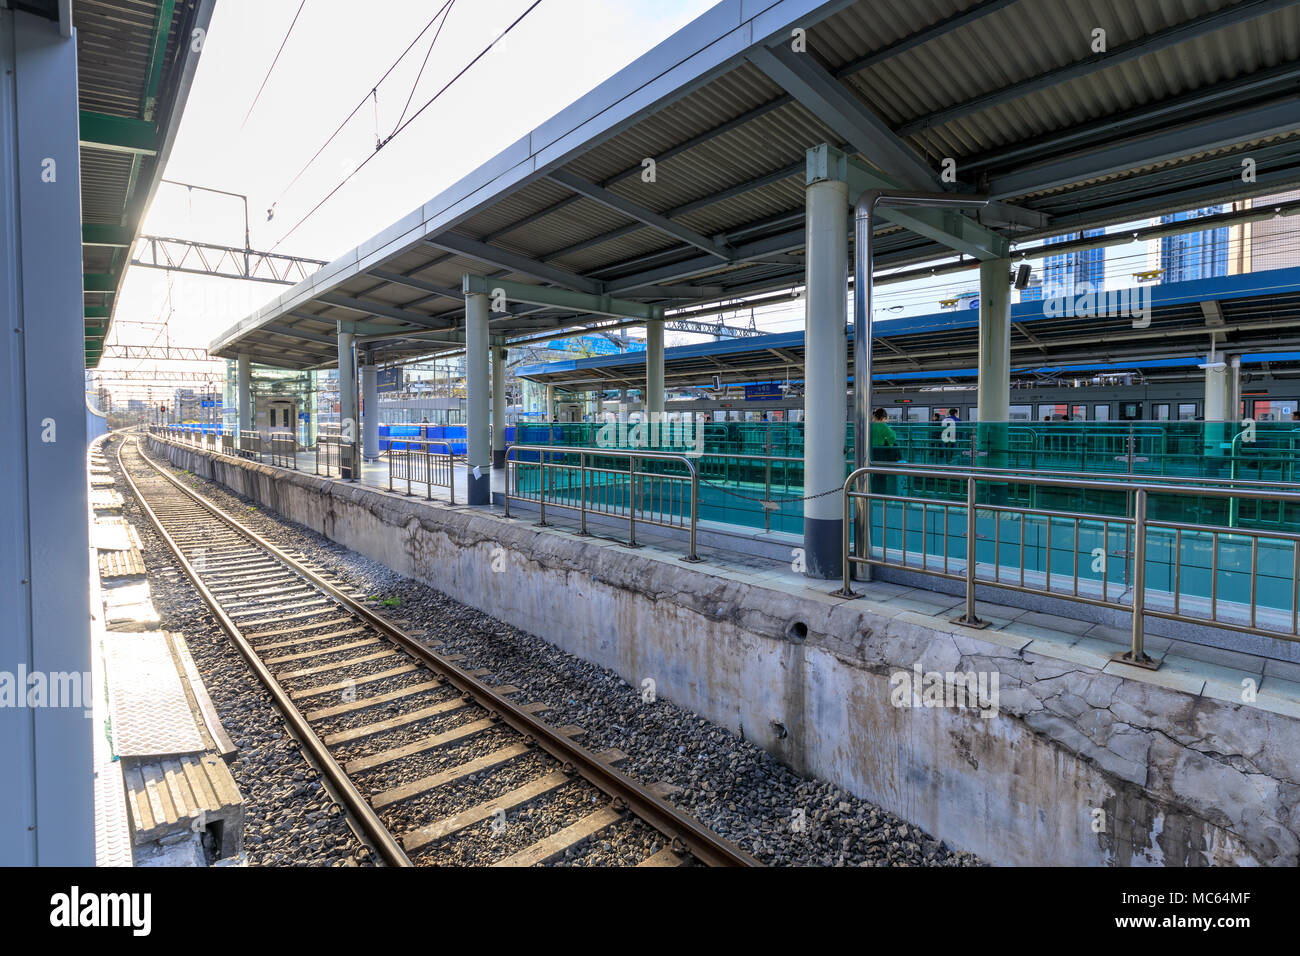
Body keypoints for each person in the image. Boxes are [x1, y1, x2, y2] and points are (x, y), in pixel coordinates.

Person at [870, 407, 899, 495]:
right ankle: (880, 494)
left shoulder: (869, 425)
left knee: (873, 474)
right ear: (883, 417)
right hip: (881, 452)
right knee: (881, 475)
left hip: (871, 451)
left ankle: (872, 492)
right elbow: (892, 438)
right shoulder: (883, 426)